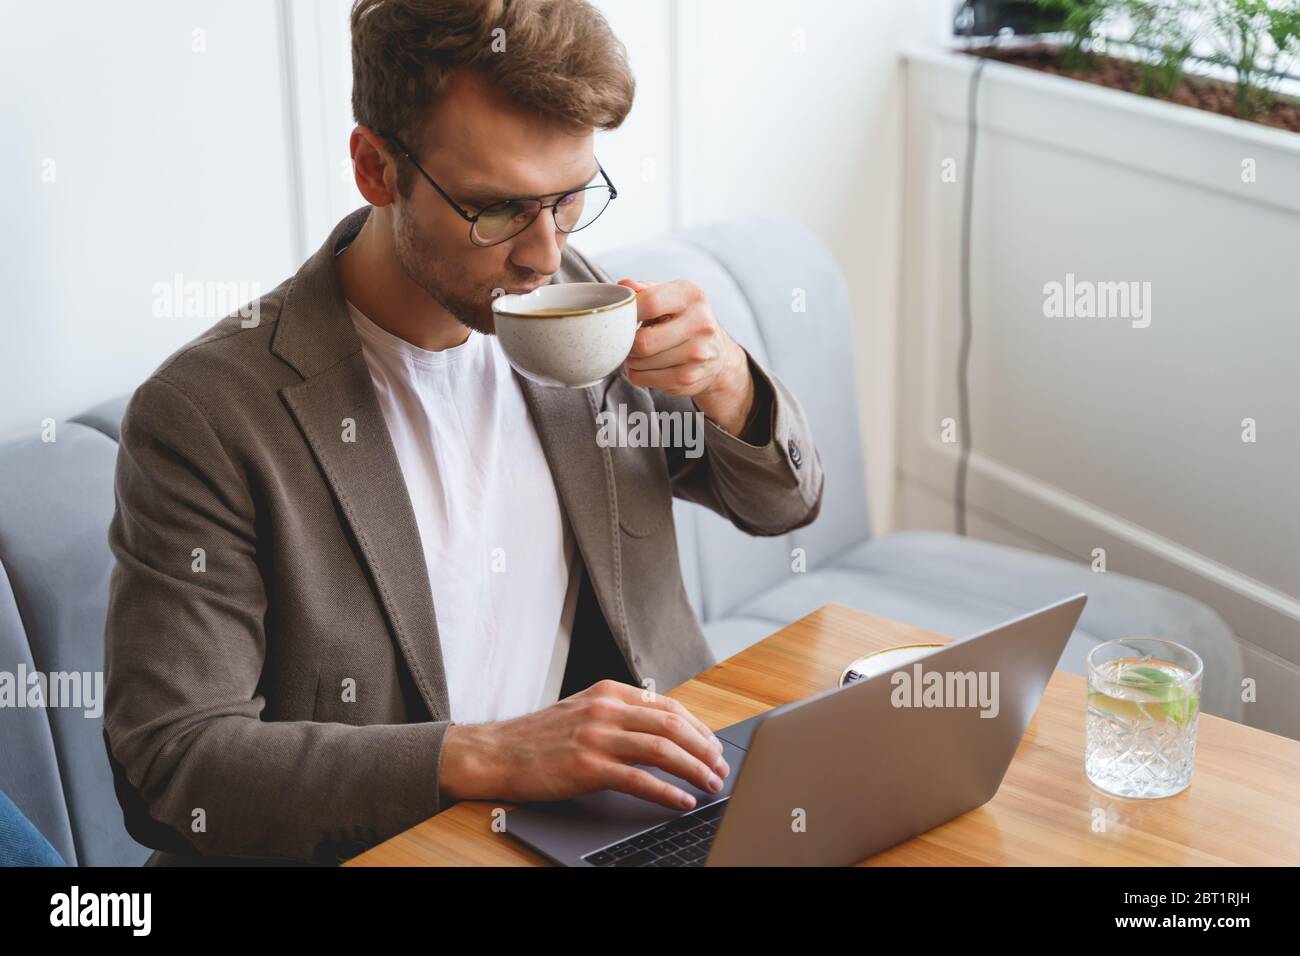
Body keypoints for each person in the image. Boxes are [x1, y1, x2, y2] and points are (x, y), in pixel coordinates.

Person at [104, 0, 823, 865]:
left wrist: (733, 387)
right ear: (376, 168)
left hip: (622, 826)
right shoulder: (211, 414)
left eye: (570, 198)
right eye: (497, 209)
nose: (544, 256)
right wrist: (491, 752)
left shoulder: (582, 308)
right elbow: (173, 764)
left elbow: (785, 507)